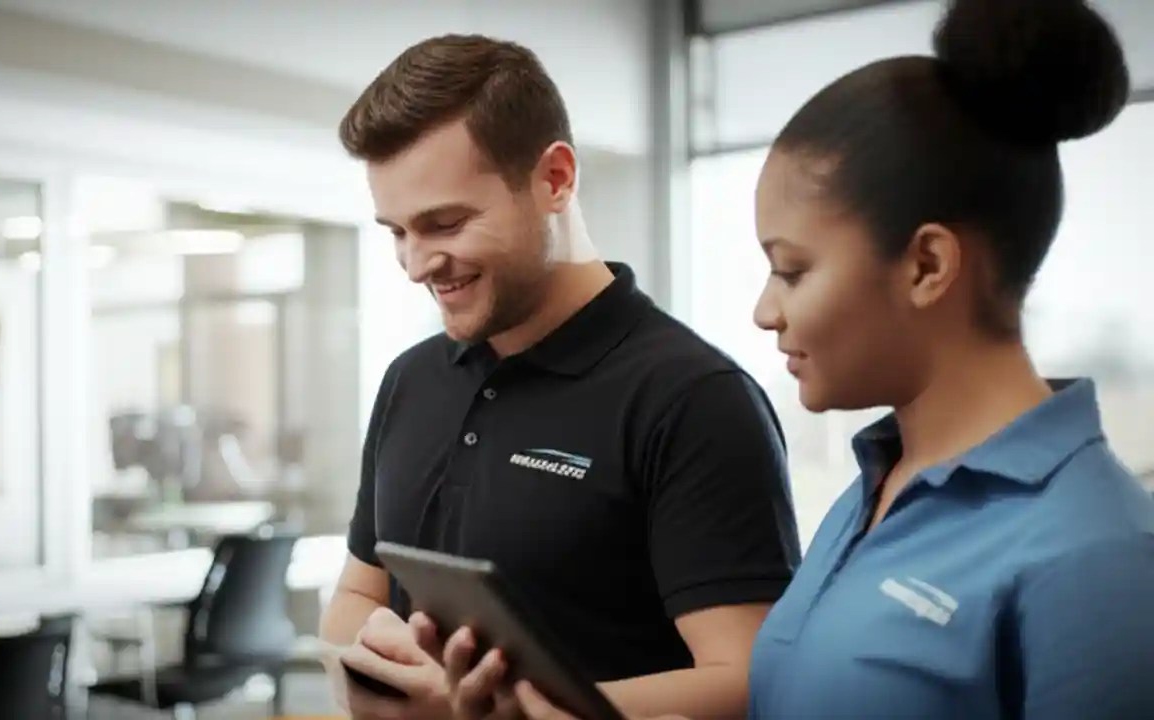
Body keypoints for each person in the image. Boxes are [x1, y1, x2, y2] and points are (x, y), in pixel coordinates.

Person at [455, 0, 1154, 718]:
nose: (766, 310)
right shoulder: (873, 494)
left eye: (791, 271)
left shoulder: (1098, 558)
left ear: (927, 265)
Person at [318, 33, 801, 720]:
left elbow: (746, 677)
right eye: (398, 232)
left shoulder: (693, 399)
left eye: (445, 223)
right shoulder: (410, 380)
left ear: (554, 179)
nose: (417, 263)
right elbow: (360, 595)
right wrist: (372, 659)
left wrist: (489, 709)